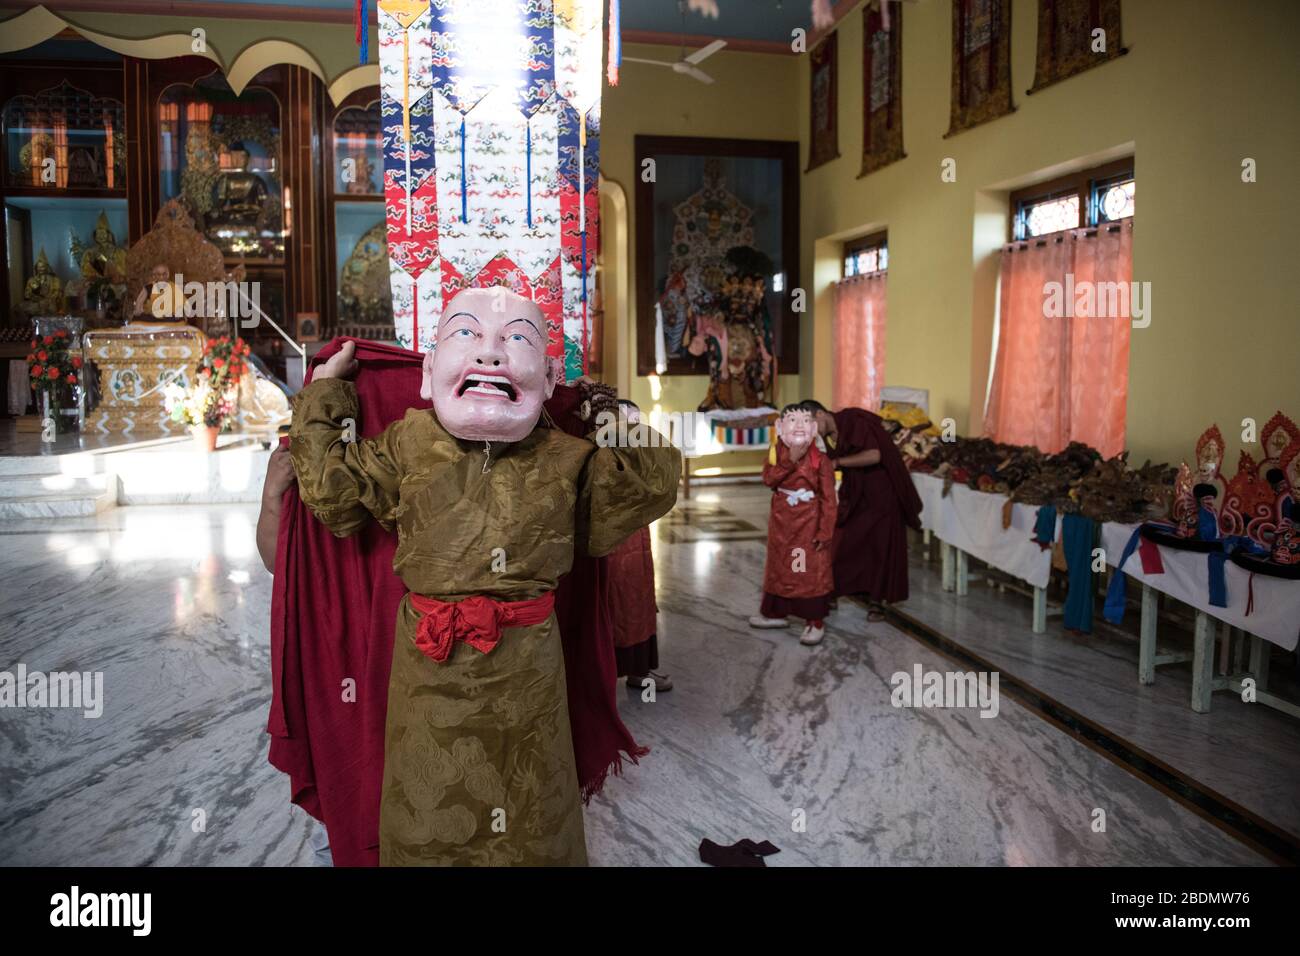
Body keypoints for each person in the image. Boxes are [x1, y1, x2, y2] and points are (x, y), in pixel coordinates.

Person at [287, 287, 680, 865]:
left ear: (547, 380)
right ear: (427, 376)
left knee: (532, 812)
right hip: (429, 667)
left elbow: (651, 483)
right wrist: (327, 393)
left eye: (516, 338)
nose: (491, 355)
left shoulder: (567, 457)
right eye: (466, 335)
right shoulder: (408, 442)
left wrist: (608, 416)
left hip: (530, 669)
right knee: (427, 806)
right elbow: (332, 493)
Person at [804, 400, 922, 612]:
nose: (812, 431)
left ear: (821, 414)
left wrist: (838, 463)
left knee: (880, 545)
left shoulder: (853, 420)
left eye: (811, 424)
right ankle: (832, 590)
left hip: (882, 490)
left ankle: (877, 600)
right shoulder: (824, 437)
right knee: (843, 539)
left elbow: (874, 455)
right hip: (855, 491)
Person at [748, 403, 837, 645]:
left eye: (805, 421)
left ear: (814, 427)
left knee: (805, 570)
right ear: (779, 427)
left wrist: (824, 531)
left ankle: (814, 621)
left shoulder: (821, 460)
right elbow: (769, 479)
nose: (799, 426)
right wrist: (791, 460)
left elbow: (829, 500)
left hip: (809, 523)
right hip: (781, 521)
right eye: (792, 421)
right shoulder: (776, 452)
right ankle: (775, 612)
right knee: (780, 566)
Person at [605, 399, 672, 691]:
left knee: (640, 601)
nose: (633, 426)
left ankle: (641, 670)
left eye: (637, 420)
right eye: (625, 419)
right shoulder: (602, 455)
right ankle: (605, 678)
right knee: (614, 606)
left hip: (638, 542)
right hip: (612, 541)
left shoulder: (644, 454)